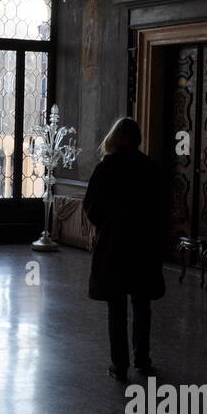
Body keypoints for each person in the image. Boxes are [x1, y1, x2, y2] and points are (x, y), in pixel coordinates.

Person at [82, 116, 171, 382]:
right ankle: (142, 359)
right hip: (144, 244)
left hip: (115, 245)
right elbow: (161, 208)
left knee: (116, 307)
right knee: (142, 304)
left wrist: (107, 225)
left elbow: (91, 207)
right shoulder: (150, 168)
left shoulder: (106, 168)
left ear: (115, 137)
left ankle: (119, 366)